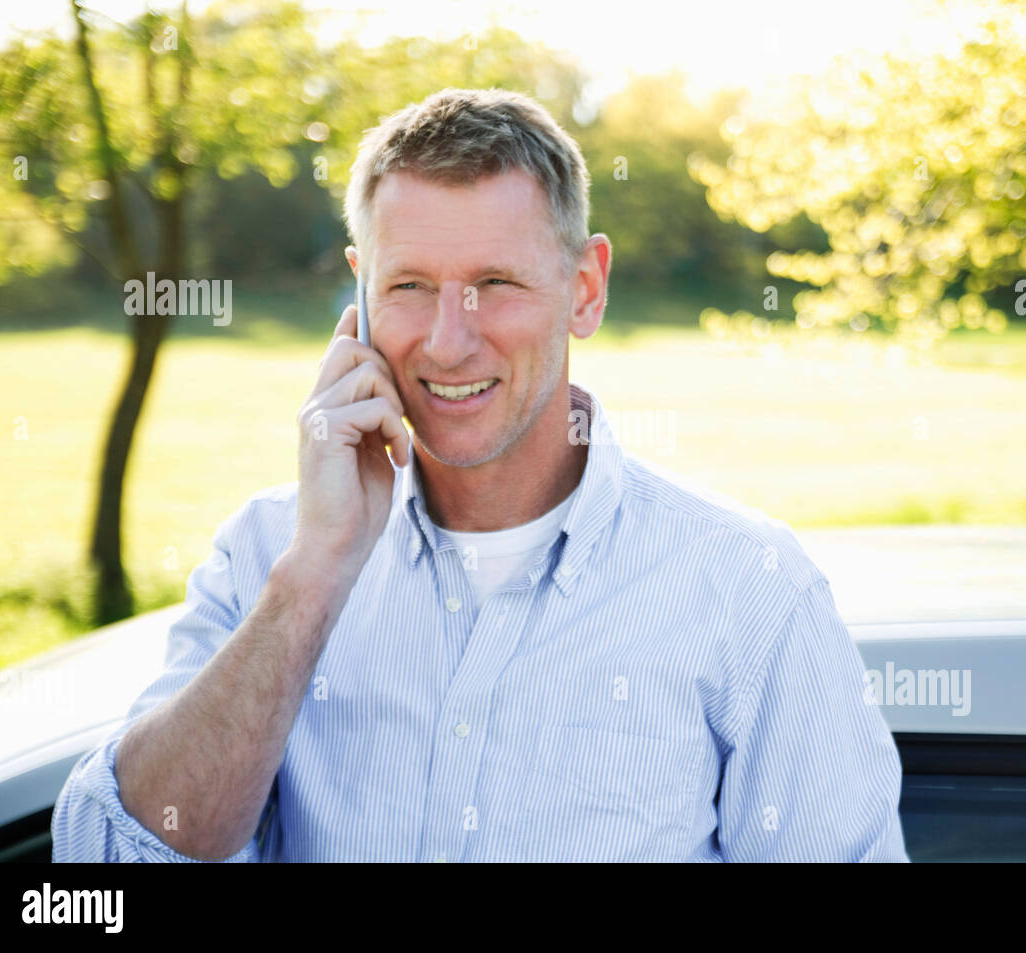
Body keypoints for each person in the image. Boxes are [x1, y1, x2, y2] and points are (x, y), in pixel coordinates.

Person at [51, 87, 908, 862]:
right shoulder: (269, 557)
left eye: (494, 283)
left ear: (585, 287)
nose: (448, 341)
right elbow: (106, 862)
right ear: (360, 290)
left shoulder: (747, 593)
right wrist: (314, 578)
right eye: (411, 286)